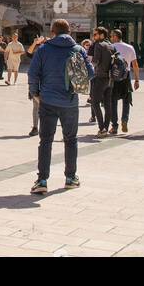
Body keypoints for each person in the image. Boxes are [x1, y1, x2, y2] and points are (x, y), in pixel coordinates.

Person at [28, 19, 87, 194]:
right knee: (71, 139)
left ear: (53, 32)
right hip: (70, 101)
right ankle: (70, 177)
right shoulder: (78, 49)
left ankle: (43, 180)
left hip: (48, 101)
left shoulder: (44, 50)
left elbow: (33, 73)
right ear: (69, 32)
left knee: (45, 140)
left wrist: (35, 93)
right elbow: (90, 73)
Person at [109, 29, 140, 134]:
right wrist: (137, 80)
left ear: (116, 36)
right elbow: (135, 65)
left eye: (112, 36)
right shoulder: (130, 47)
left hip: (114, 77)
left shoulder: (111, 47)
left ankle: (114, 126)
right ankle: (125, 120)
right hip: (126, 76)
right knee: (126, 100)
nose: (110, 38)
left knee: (113, 101)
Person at [89, 27, 116, 136]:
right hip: (110, 78)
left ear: (101, 35)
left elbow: (95, 61)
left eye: (95, 34)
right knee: (107, 104)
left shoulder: (98, 45)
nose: (94, 36)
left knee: (95, 102)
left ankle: (102, 128)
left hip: (100, 77)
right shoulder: (111, 45)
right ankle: (105, 127)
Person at [26, 33, 45, 136]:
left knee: (45, 106)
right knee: (36, 106)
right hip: (35, 82)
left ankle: (44, 127)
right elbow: (28, 53)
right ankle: (35, 127)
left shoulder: (48, 51)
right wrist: (34, 43)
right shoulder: (37, 53)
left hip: (46, 82)